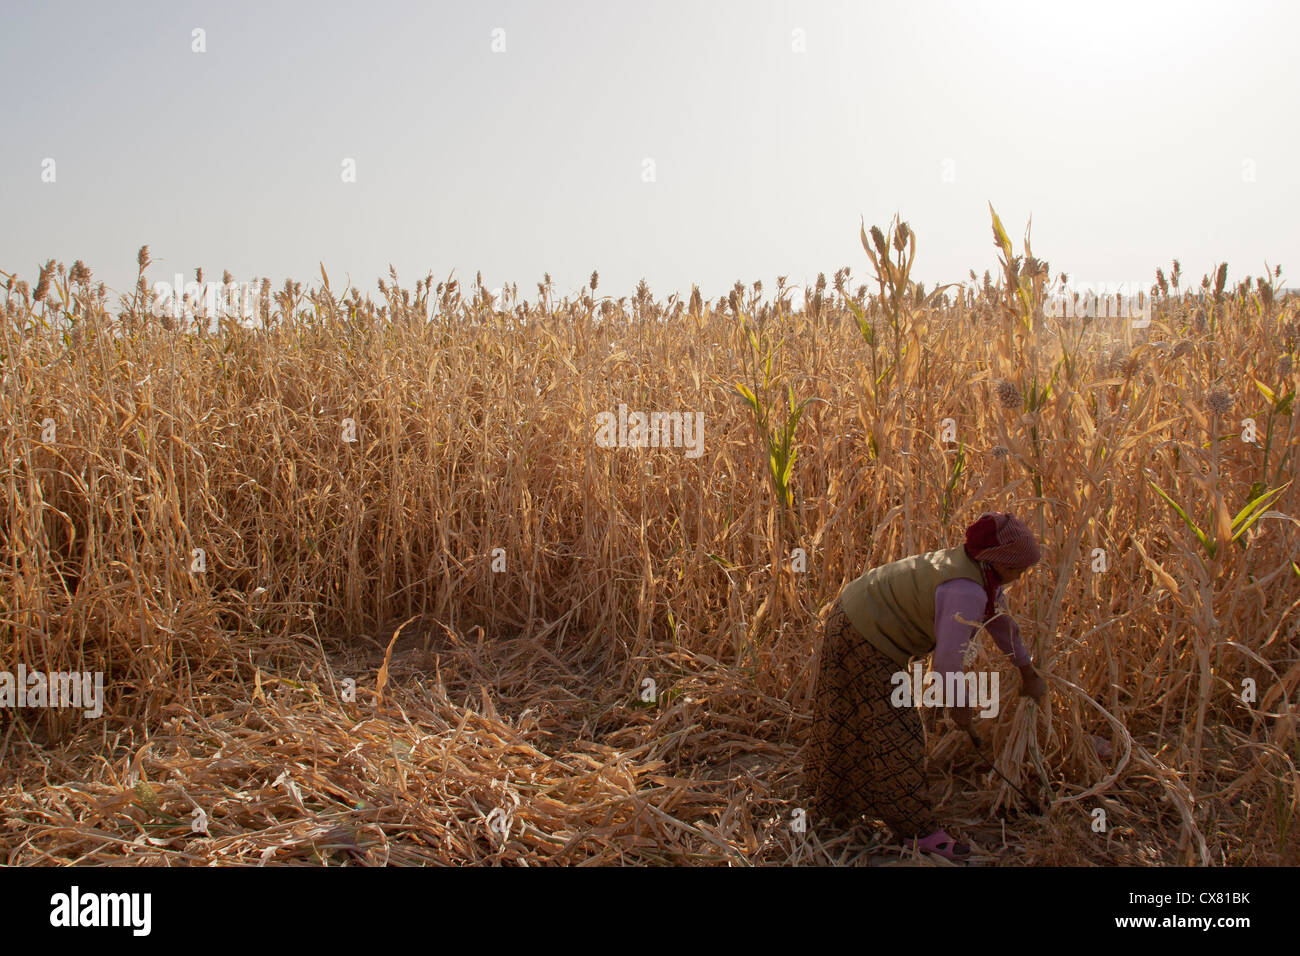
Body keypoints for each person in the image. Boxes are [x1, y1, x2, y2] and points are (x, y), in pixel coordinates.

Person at [802, 511, 1048, 860]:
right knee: (899, 737)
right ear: (996, 561)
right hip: (864, 634)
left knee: (856, 720)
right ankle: (917, 832)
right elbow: (947, 664)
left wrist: (1028, 673)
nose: (1021, 575)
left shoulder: (978, 574)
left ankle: (834, 804)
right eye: (1017, 568)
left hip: (853, 612)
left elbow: (1002, 625)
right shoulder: (966, 591)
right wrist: (960, 707)